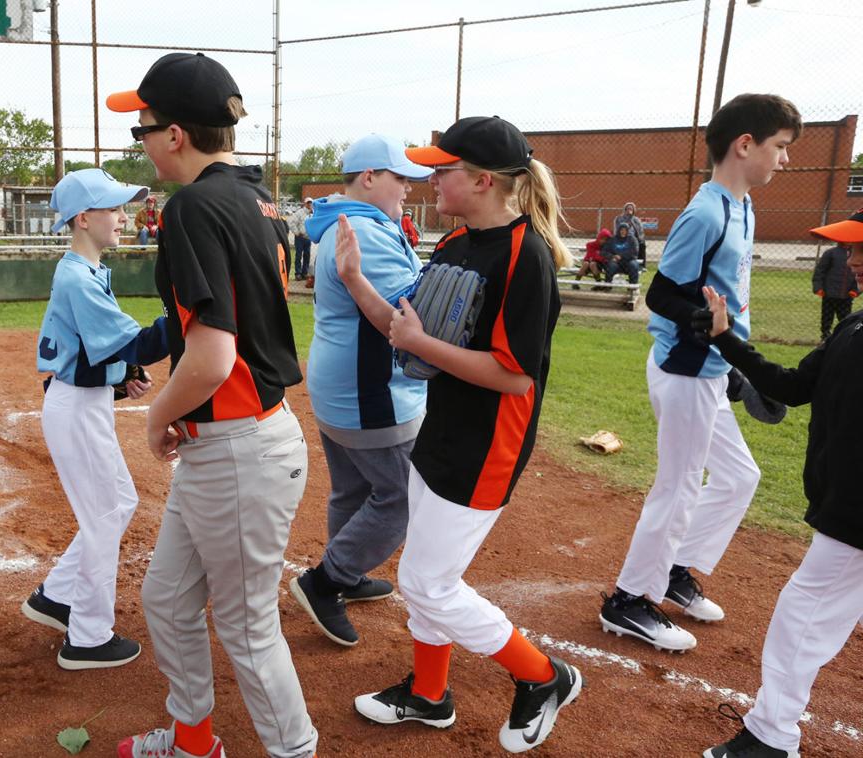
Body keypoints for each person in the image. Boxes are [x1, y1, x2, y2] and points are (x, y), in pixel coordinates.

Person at [340, 116, 583, 753]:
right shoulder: (454, 245)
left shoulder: (524, 257)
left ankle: (544, 675)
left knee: (428, 583)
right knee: (426, 572)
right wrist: (354, 280)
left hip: (487, 447)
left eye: (443, 168)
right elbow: (405, 326)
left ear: (481, 180)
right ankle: (428, 694)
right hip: (440, 431)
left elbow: (512, 378)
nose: (431, 176)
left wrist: (419, 343)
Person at [106, 52, 317, 758]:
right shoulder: (253, 197)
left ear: (175, 135)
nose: (139, 141)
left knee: (248, 626)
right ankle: (195, 740)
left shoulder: (194, 205)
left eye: (143, 127)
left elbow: (213, 357)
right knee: (167, 599)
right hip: (235, 441)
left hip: (237, 445)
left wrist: (157, 413)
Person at [599, 93, 802, 652]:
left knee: (740, 477)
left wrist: (735, 366)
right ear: (745, 145)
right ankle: (629, 600)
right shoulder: (707, 210)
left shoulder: (744, 206)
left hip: (711, 368)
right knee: (680, 484)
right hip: (685, 370)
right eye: (779, 148)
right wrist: (705, 328)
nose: (784, 160)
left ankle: (674, 570)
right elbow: (662, 292)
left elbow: (724, 296)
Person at [700, 208, 863, 758]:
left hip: (856, 516)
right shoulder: (855, 325)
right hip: (844, 505)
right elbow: (794, 387)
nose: (853, 261)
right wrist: (727, 342)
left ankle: (771, 739)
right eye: (852, 248)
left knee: (803, 615)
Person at [20, 168, 169, 671]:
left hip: (83, 401)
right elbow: (136, 341)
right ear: (83, 218)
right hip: (74, 409)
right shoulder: (77, 276)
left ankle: (55, 596)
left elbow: (94, 349)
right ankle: (87, 636)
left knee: (117, 503)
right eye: (114, 209)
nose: (125, 218)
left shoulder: (86, 271)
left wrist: (122, 374)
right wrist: (189, 317)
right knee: (105, 514)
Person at [290, 134, 430, 648]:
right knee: (401, 496)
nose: (408, 192)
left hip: (343, 384)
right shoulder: (365, 231)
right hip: (369, 390)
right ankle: (327, 581)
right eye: (401, 179)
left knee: (352, 489)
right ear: (368, 177)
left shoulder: (345, 222)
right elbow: (408, 316)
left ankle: (342, 573)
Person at [810, 240, 856, 341]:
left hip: (847, 295)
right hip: (829, 293)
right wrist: (818, 287)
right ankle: (825, 336)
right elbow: (820, 271)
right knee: (827, 316)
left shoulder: (856, 254)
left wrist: (855, 290)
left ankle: (845, 336)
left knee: (845, 318)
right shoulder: (831, 253)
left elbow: (859, 274)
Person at [613, 201, 646, 265]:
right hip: (622, 236)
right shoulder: (619, 218)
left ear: (634, 210)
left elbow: (640, 230)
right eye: (628, 208)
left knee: (642, 244)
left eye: (631, 209)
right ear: (625, 210)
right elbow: (617, 228)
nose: (629, 210)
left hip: (634, 237)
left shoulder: (636, 219)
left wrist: (640, 238)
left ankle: (642, 265)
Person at [288, 196, 313, 279]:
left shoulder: (313, 213)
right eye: (308, 203)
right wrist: (297, 232)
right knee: (298, 255)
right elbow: (291, 222)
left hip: (308, 238)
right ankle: (297, 273)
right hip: (300, 238)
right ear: (305, 204)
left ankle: (304, 273)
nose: (310, 204)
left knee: (307, 256)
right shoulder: (299, 212)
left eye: (311, 203)